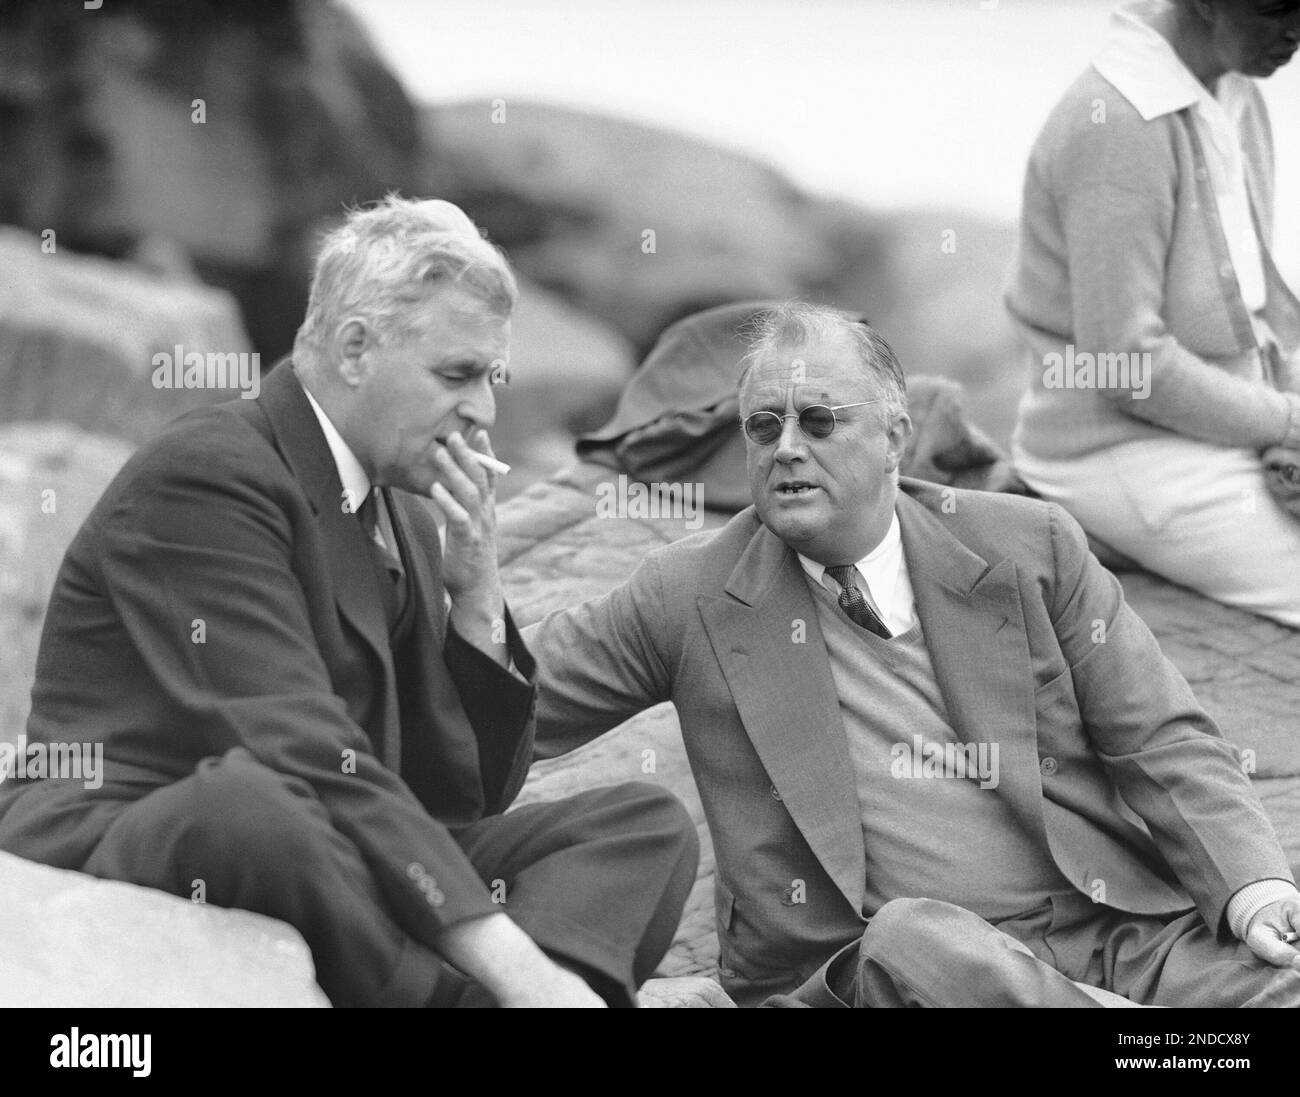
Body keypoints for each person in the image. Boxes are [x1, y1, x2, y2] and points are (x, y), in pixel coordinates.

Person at [0, 196, 698, 1008]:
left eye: (491, 377)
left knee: (642, 826)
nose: (484, 410)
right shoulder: (209, 472)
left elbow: (462, 794)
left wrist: (477, 594)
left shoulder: (403, 506)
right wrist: (520, 967)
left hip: (340, 849)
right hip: (160, 826)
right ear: (357, 347)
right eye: (457, 375)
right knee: (258, 808)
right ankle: (461, 997)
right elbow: (302, 750)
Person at [527, 301, 1300, 1007]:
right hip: (896, 971)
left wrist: (1257, 890)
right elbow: (502, 702)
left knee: (1275, 974)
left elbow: (1160, 736)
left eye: (819, 421)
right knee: (915, 938)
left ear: (895, 436)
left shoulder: (1030, 545)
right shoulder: (689, 592)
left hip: (1112, 941)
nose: (787, 448)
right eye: (763, 427)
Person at [1006, 0, 1300, 627]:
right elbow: (1123, 365)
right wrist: (1285, 423)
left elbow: (1254, 306)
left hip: (1226, 421)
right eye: (1275, 10)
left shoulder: (1234, 86)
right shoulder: (1119, 122)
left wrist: (1283, 414)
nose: (1295, 32)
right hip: (1120, 447)